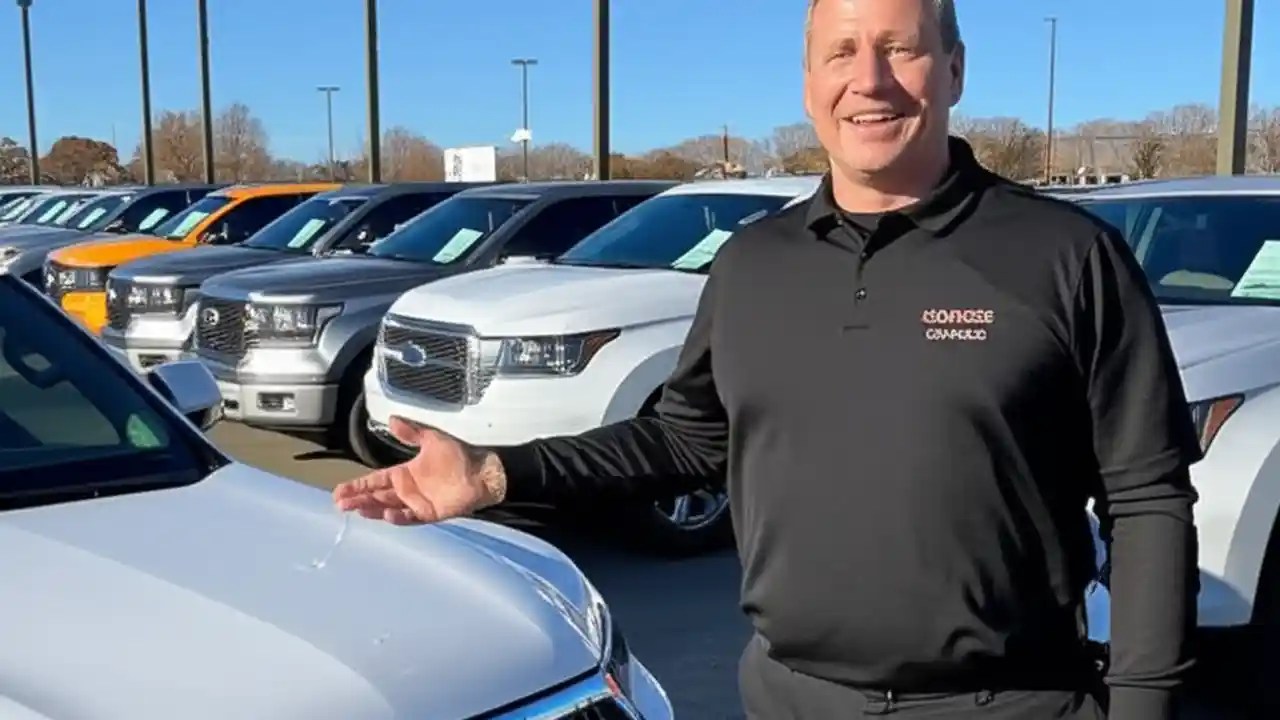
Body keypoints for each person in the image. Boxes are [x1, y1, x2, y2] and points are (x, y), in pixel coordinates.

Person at [333, 0, 1201, 717]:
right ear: (810, 81)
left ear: (955, 69)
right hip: (787, 696)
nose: (870, 80)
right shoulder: (753, 264)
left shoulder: (1065, 256)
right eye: (843, 52)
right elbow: (682, 441)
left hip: (1009, 702)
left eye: (901, 48)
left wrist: (1143, 700)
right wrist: (492, 474)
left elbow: (1148, 496)